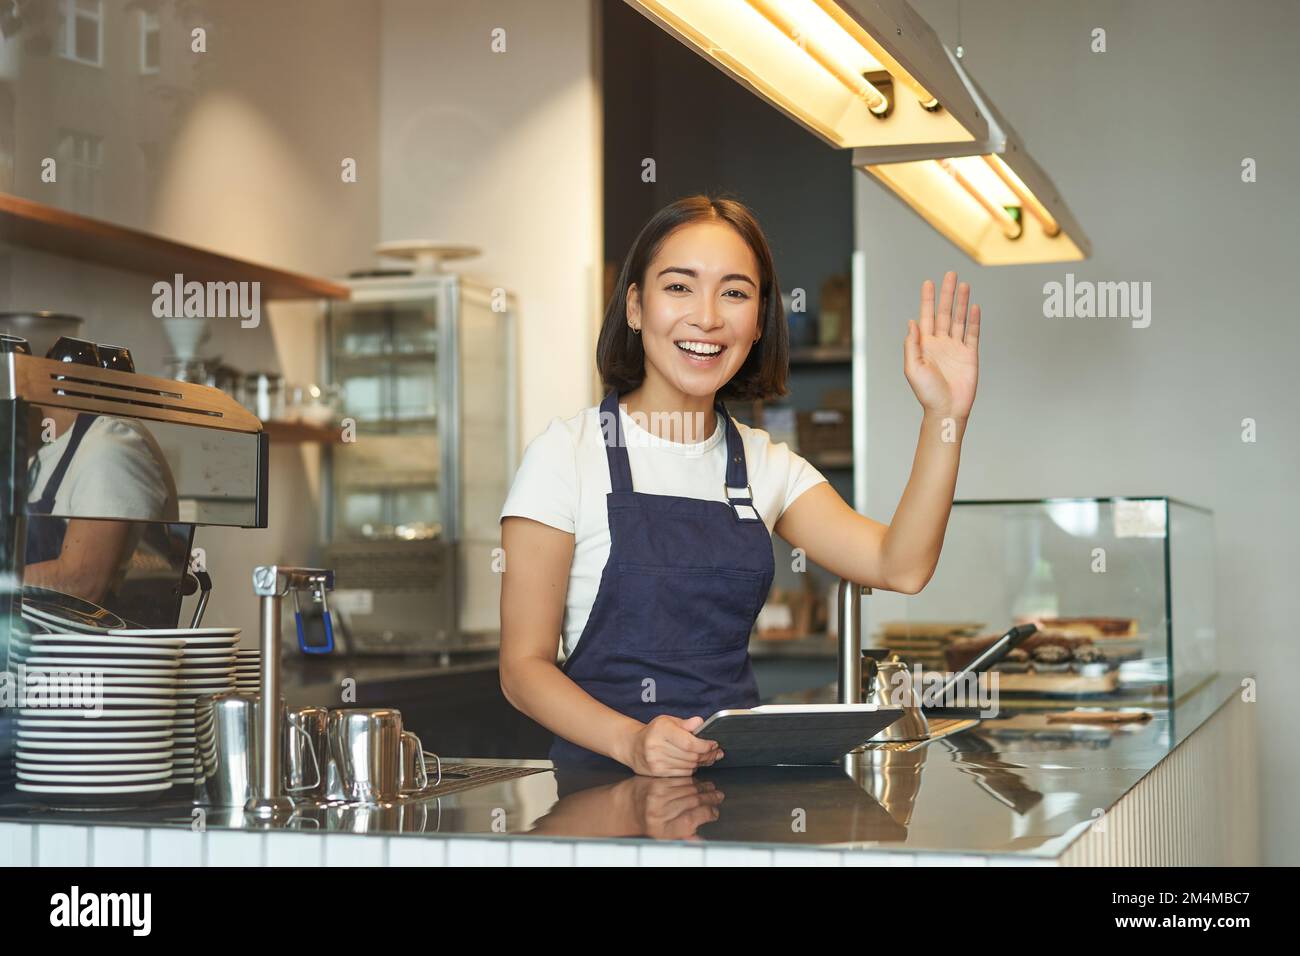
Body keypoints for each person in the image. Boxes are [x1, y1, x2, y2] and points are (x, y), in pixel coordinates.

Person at [499, 195, 980, 776]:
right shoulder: (565, 455)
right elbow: (523, 669)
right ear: (634, 306)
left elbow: (898, 565)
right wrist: (632, 742)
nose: (707, 316)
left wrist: (943, 417)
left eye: (734, 292)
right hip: (604, 801)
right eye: (679, 287)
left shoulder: (764, 463)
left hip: (738, 793)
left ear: (757, 324)